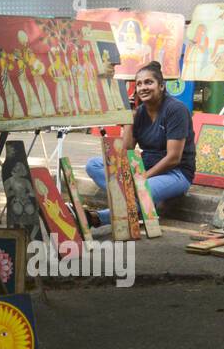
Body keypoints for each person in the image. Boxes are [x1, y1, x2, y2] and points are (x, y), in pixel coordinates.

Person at [83, 61, 195, 227]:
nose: (143, 87)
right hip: (144, 167)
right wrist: (129, 120)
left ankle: (97, 217)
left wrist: (142, 179)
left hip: (176, 173)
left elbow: (173, 158)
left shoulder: (176, 110)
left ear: (162, 86)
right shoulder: (140, 112)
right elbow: (126, 151)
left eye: (149, 82)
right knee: (94, 165)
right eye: (139, 84)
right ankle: (139, 205)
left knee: (143, 190)